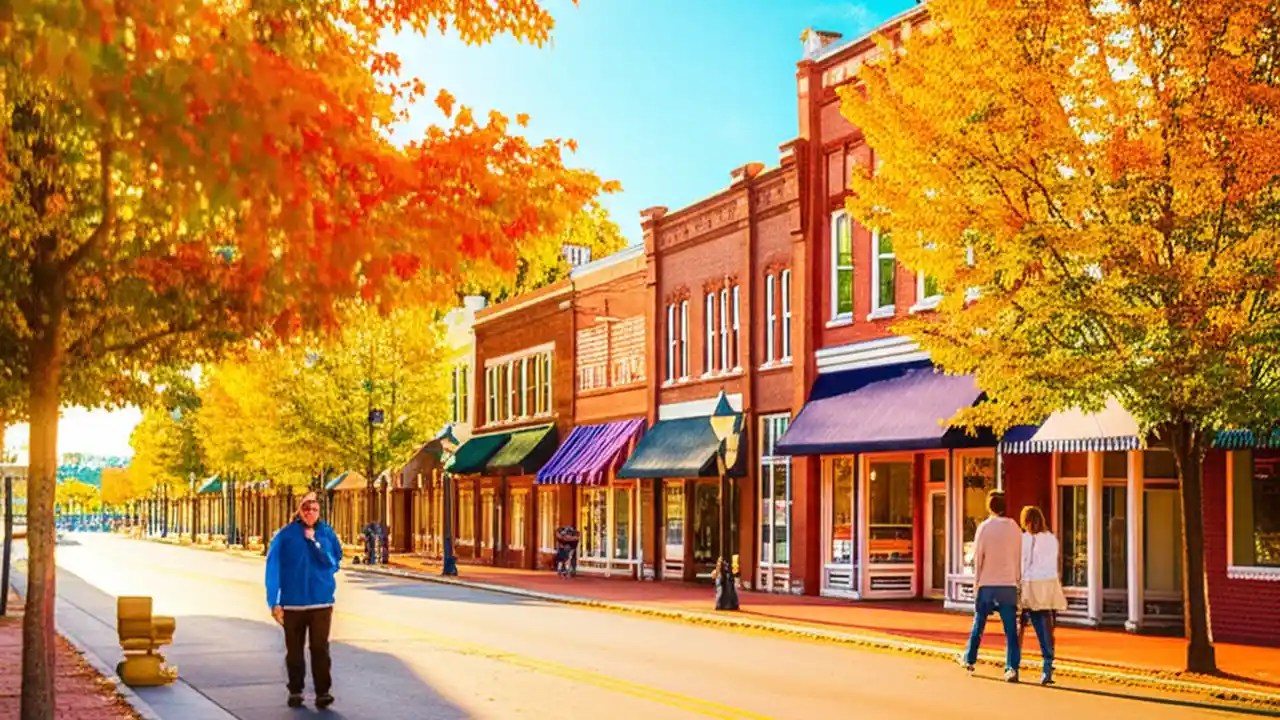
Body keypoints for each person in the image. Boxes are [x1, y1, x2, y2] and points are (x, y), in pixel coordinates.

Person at [265, 493, 342, 709]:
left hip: (321, 602)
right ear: (299, 510)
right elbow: (273, 569)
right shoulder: (285, 536)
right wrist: (274, 601)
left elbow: (334, 563)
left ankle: (323, 692)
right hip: (293, 604)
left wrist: (315, 543)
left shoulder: (326, 533)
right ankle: (296, 691)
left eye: (314, 509)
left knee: (320, 649)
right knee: (295, 651)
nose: (310, 512)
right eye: (306, 508)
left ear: (319, 511)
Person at [960, 490, 1023, 682]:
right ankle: (1011, 667)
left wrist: (976, 584)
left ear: (989, 507)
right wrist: (1017, 581)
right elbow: (1019, 556)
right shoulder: (1014, 527)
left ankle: (970, 658)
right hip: (1008, 584)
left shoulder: (984, 528)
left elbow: (979, 558)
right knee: (1011, 630)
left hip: (987, 583)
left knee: (979, 624)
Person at [1019, 505, 1068, 685]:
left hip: (1030, 587)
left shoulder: (1025, 540)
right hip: (1048, 588)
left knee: (1019, 627)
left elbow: (1023, 565)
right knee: (1046, 629)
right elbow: (1057, 562)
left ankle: (1013, 666)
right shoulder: (1051, 539)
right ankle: (1047, 667)